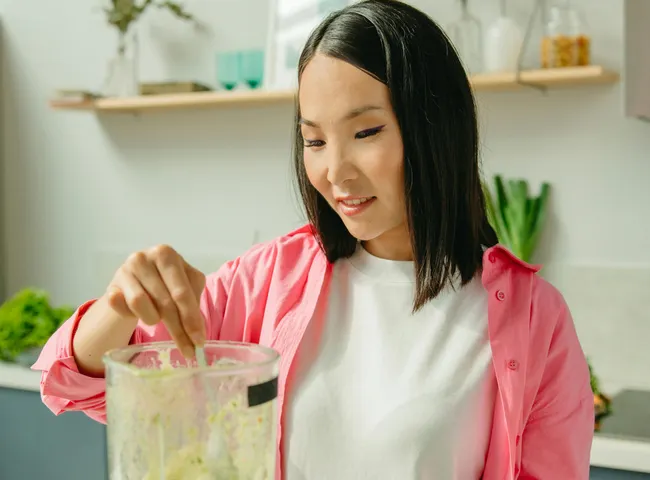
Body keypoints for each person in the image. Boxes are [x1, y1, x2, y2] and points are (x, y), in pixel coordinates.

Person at [33, 0, 594, 478]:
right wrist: (119, 306)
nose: (335, 171)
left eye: (365, 132)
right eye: (314, 140)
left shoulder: (534, 321)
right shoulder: (262, 284)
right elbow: (75, 385)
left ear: (435, 126)